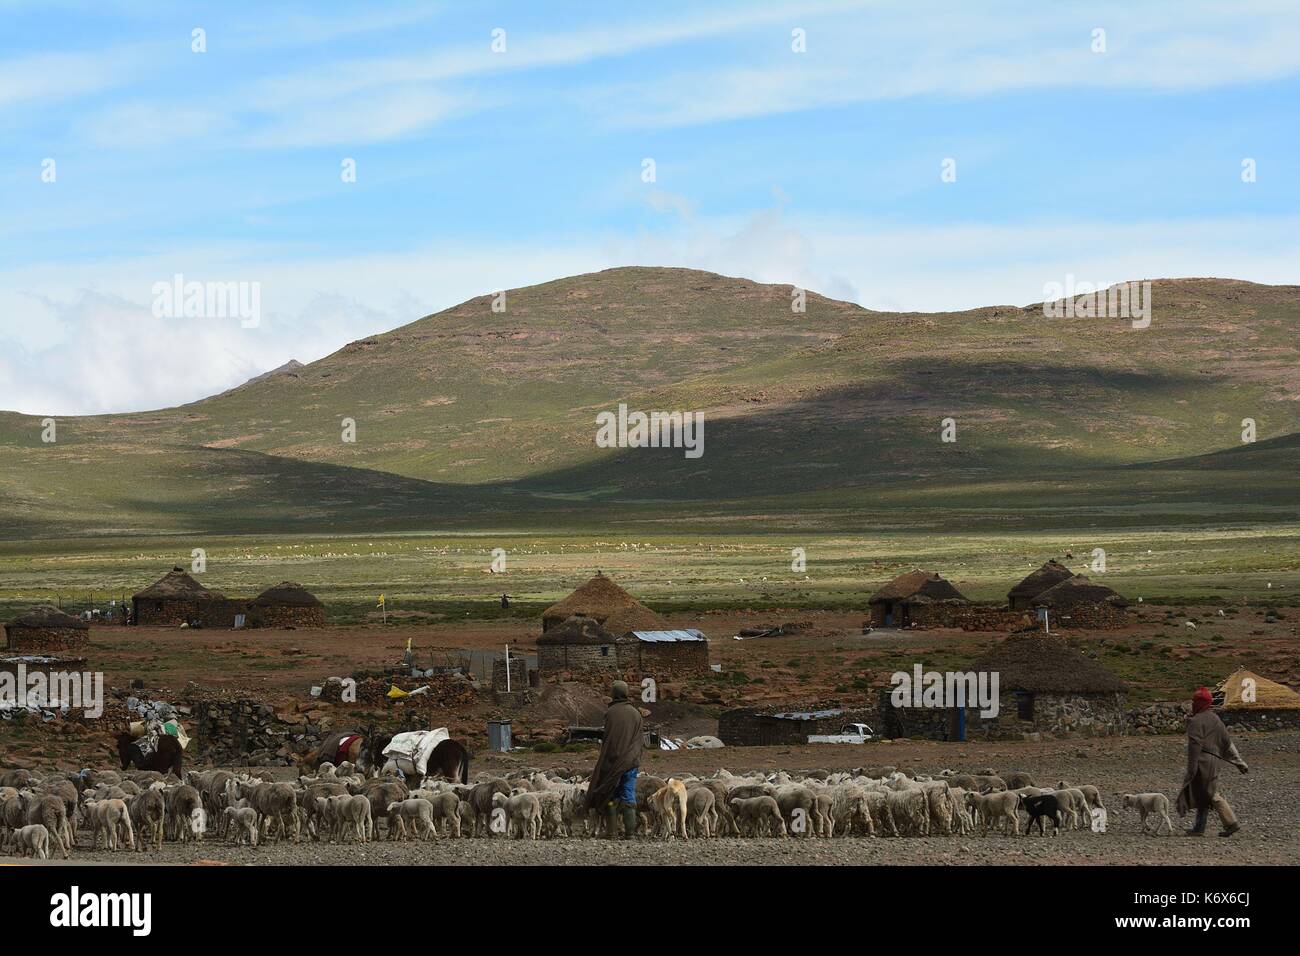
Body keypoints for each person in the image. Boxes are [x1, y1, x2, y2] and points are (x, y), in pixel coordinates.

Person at [1177, 686, 1248, 837]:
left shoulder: (1196, 721)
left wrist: (1191, 768)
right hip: (1215, 761)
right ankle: (1199, 827)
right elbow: (1227, 743)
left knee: (1209, 793)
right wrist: (1238, 761)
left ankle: (1231, 823)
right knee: (1204, 793)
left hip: (1203, 761)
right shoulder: (1215, 718)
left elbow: (1194, 747)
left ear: (1197, 703)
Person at [584, 680, 643, 839]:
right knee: (628, 792)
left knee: (610, 793)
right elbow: (638, 739)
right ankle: (630, 832)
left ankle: (612, 831)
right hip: (631, 761)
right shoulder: (636, 713)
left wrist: (607, 760)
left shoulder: (611, 713)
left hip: (614, 761)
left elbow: (610, 739)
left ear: (614, 693)